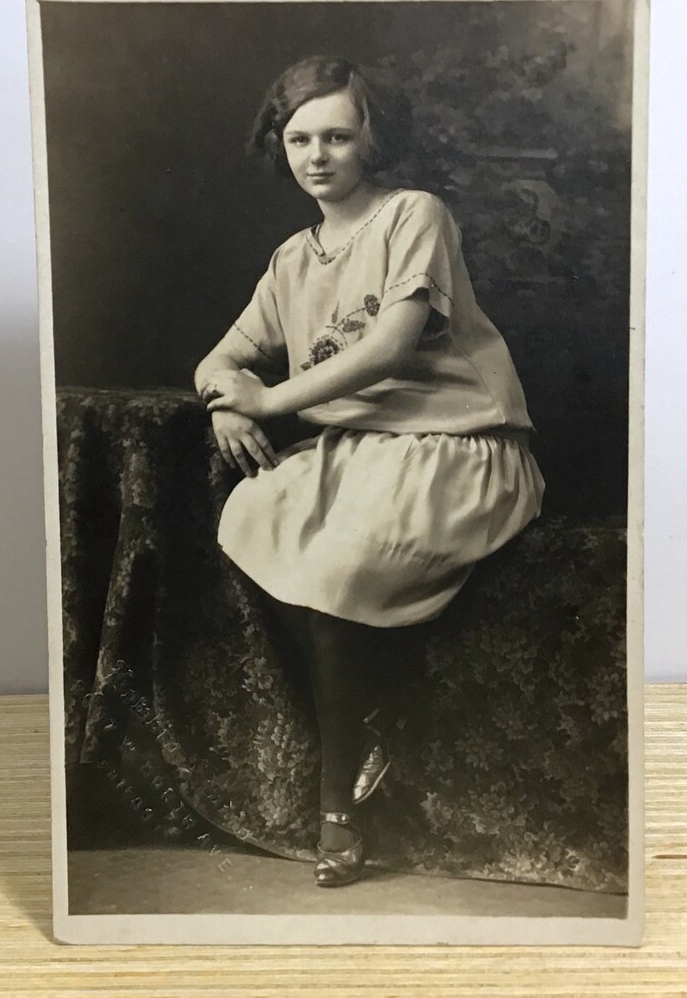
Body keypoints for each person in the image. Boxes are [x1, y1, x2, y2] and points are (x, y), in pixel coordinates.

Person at [194, 55, 545, 888]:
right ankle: (369, 725)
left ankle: (338, 810)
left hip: (460, 446)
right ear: (279, 146)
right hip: (361, 452)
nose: (318, 155)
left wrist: (267, 401)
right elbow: (221, 357)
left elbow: (390, 346)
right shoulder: (292, 260)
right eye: (299, 138)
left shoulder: (411, 216)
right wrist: (222, 403)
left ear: (368, 141)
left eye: (338, 136)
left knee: (339, 565)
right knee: (249, 520)